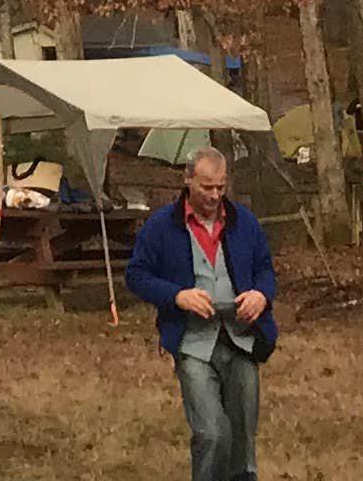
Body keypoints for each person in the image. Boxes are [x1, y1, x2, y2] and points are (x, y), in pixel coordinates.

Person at [124, 146, 275, 481]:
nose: (215, 195)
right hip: (192, 342)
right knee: (211, 434)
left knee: (242, 438)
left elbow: (265, 268)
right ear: (187, 179)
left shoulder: (244, 222)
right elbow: (136, 275)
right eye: (207, 187)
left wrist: (261, 295)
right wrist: (176, 296)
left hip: (241, 339)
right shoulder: (161, 226)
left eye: (221, 186)